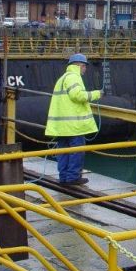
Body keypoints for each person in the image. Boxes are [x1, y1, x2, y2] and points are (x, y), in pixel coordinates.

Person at [45, 54, 102, 186]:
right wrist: (96, 94)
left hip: (62, 126)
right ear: (80, 65)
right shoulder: (73, 77)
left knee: (63, 151)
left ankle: (64, 177)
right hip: (73, 125)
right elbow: (77, 96)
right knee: (76, 151)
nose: (85, 70)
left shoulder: (63, 77)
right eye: (84, 67)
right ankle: (72, 177)